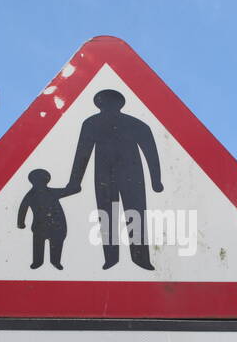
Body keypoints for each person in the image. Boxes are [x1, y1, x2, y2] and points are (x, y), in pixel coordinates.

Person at [64, 89, 163, 269]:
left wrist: (156, 180)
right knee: (108, 216)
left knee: (135, 215)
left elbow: (150, 152)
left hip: (130, 174)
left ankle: (139, 258)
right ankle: (112, 258)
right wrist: (75, 181)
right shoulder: (91, 124)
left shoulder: (134, 124)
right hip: (105, 175)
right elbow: (82, 153)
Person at [17, 169, 73, 269]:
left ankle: (54, 262)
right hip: (44, 226)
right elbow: (23, 209)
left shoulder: (34, 194)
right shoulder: (33, 195)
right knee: (39, 244)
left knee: (54, 244)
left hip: (54, 226)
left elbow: (22, 209)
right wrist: (20, 223)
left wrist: (21, 224)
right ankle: (39, 262)